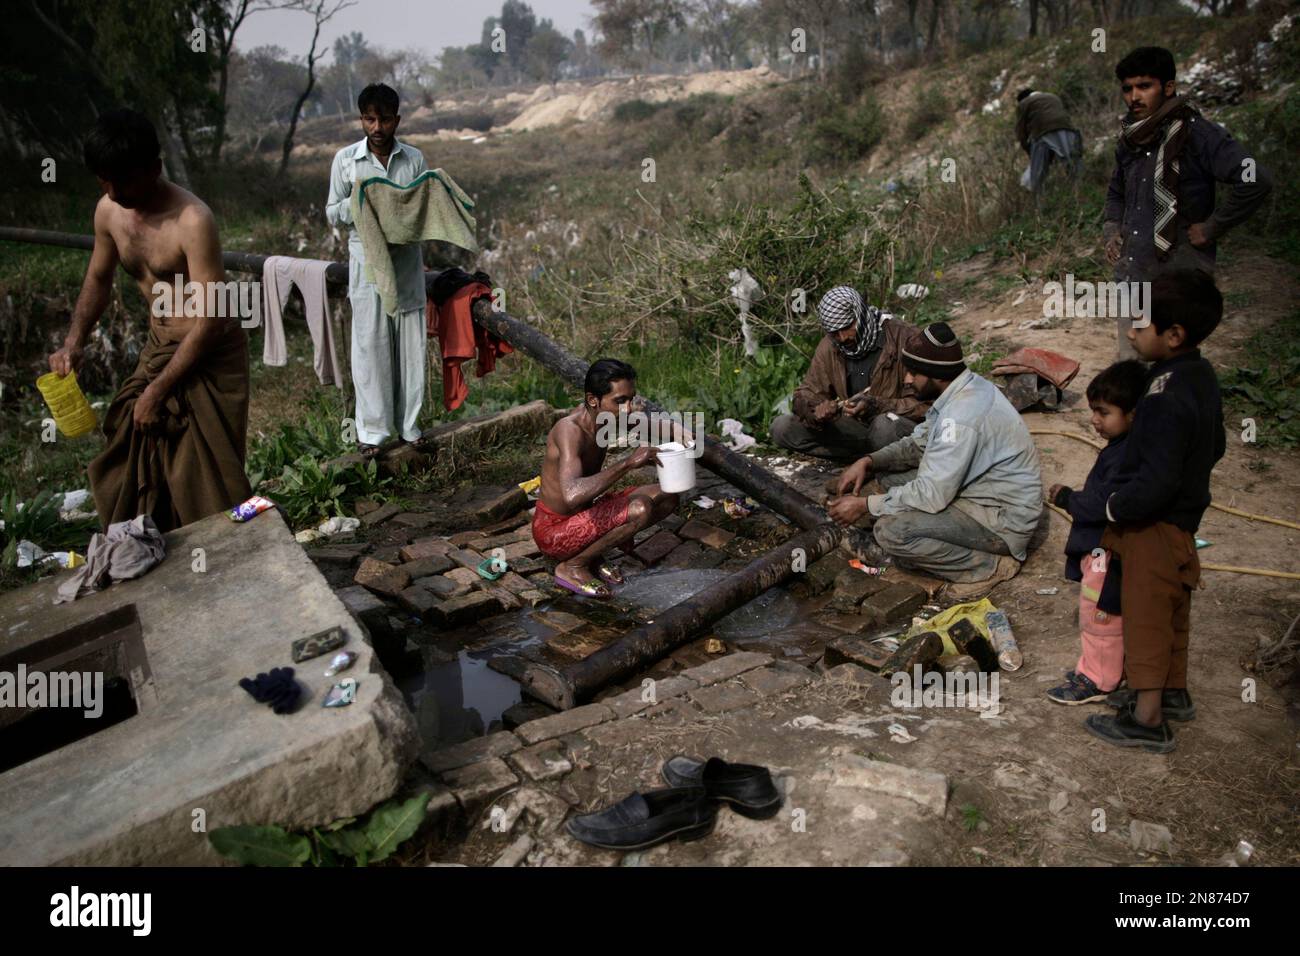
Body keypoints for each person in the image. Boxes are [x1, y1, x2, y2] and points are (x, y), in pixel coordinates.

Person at [49, 108, 251, 533]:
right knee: (131, 448)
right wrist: (74, 341)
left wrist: (159, 390)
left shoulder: (192, 220)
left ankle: (228, 555)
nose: (112, 190)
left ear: (154, 168)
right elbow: (98, 278)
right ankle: (158, 553)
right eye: (104, 179)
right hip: (160, 347)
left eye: (122, 179)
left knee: (209, 479)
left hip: (209, 353)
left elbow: (211, 319)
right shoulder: (109, 211)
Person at [1084, 270, 1225, 754]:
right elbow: (1217, 445)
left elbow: (1156, 479)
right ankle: (1174, 691)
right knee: (1173, 614)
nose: (1130, 332)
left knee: (1145, 619)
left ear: (1173, 335)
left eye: (1139, 324)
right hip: (1184, 524)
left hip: (1151, 527)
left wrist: (1116, 505)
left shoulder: (1162, 395)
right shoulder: (1200, 377)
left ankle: (1147, 718)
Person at [827, 323, 1042, 601]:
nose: (906, 380)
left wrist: (865, 506)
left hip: (1001, 520)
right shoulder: (963, 389)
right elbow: (919, 444)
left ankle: (987, 567)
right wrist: (869, 461)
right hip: (984, 494)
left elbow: (931, 495)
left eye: (913, 373)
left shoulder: (960, 418)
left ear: (937, 375)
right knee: (888, 479)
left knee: (891, 532)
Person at [1103, 46, 1272, 359]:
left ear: (1168, 87)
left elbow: (1255, 179)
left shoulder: (1198, 134)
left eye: (1144, 86)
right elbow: (1116, 192)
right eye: (1127, 89)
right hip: (1136, 269)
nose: (1134, 97)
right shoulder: (1131, 139)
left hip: (1178, 275)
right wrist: (1113, 227)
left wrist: (1212, 227)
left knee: (1172, 369)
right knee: (1131, 363)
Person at [326, 82, 428, 455]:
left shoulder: (414, 159)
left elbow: (422, 209)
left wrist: (399, 214)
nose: (377, 128)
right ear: (361, 120)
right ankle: (372, 434)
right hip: (367, 265)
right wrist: (359, 202)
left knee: (410, 348)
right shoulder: (346, 161)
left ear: (396, 120)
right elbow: (332, 212)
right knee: (370, 346)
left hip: (405, 265)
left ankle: (411, 430)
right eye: (370, 119)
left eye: (384, 119)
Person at [1043, 360, 1147, 705]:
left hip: (1105, 552)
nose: (1094, 419)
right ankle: (1105, 668)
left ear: (1132, 414)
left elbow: (1100, 504)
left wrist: (1067, 498)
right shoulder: (1127, 448)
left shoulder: (1125, 457)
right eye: (1093, 411)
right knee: (1106, 613)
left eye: (1104, 412)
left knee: (1098, 616)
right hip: (1106, 550)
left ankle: (1098, 680)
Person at [532, 359, 681, 599]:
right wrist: (628, 463)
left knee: (668, 494)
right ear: (593, 400)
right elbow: (572, 495)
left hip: (586, 515)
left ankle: (596, 552)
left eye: (631, 399)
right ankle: (573, 566)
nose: (629, 408)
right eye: (621, 401)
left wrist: (688, 438)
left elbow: (656, 428)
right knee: (640, 509)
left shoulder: (607, 416)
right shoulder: (569, 430)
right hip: (554, 532)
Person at [770, 286, 927, 462]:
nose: (843, 338)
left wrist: (877, 405)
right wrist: (817, 409)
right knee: (782, 427)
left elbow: (927, 406)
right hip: (859, 430)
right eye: (834, 333)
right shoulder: (830, 346)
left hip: (897, 428)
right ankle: (867, 461)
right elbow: (806, 392)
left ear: (861, 315)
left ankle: (883, 461)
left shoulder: (905, 338)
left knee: (883, 427)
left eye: (847, 327)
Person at [1015, 88, 1082, 192]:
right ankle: (1080, 190)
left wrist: (1028, 151)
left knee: (1037, 172)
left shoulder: (1024, 103)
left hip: (1042, 132)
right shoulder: (1053, 96)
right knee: (1072, 163)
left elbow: (1021, 130)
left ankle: (1038, 201)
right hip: (1068, 129)